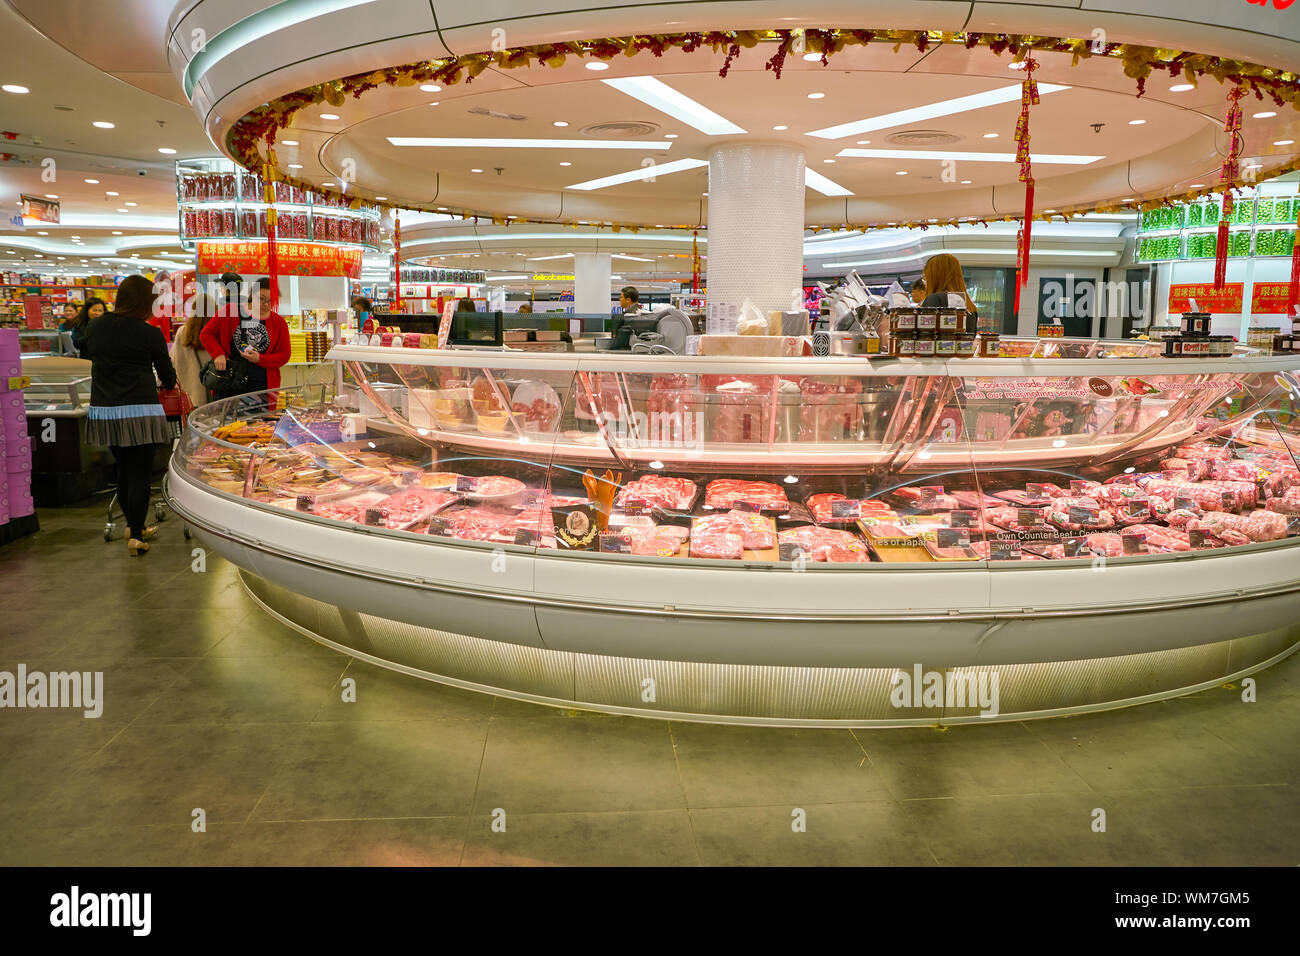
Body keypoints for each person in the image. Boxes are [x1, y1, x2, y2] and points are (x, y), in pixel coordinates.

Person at [81, 275, 177, 556]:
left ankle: (133, 527)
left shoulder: (96, 327)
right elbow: (168, 377)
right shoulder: (148, 333)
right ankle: (137, 533)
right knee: (139, 472)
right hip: (139, 410)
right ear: (144, 302)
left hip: (104, 410)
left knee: (122, 468)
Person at [200, 277, 291, 413]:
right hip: (229, 381)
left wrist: (260, 359)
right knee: (228, 426)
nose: (266, 304)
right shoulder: (230, 311)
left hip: (261, 386)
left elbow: (284, 355)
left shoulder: (279, 323)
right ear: (252, 294)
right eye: (261, 298)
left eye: (270, 301)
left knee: (258, 428)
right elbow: (206, 334)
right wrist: (218, 354)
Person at [170, 293, 216, 410]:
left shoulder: (183, 333)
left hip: (192, 395)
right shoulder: (218, 331)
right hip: (216, 393)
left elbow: (174, 361)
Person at [919, 253, 978, 318]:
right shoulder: (969, 306)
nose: (925, 283)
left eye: (925, 278)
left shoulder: (934, 299)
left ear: (934, 278)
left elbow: (926, 326)